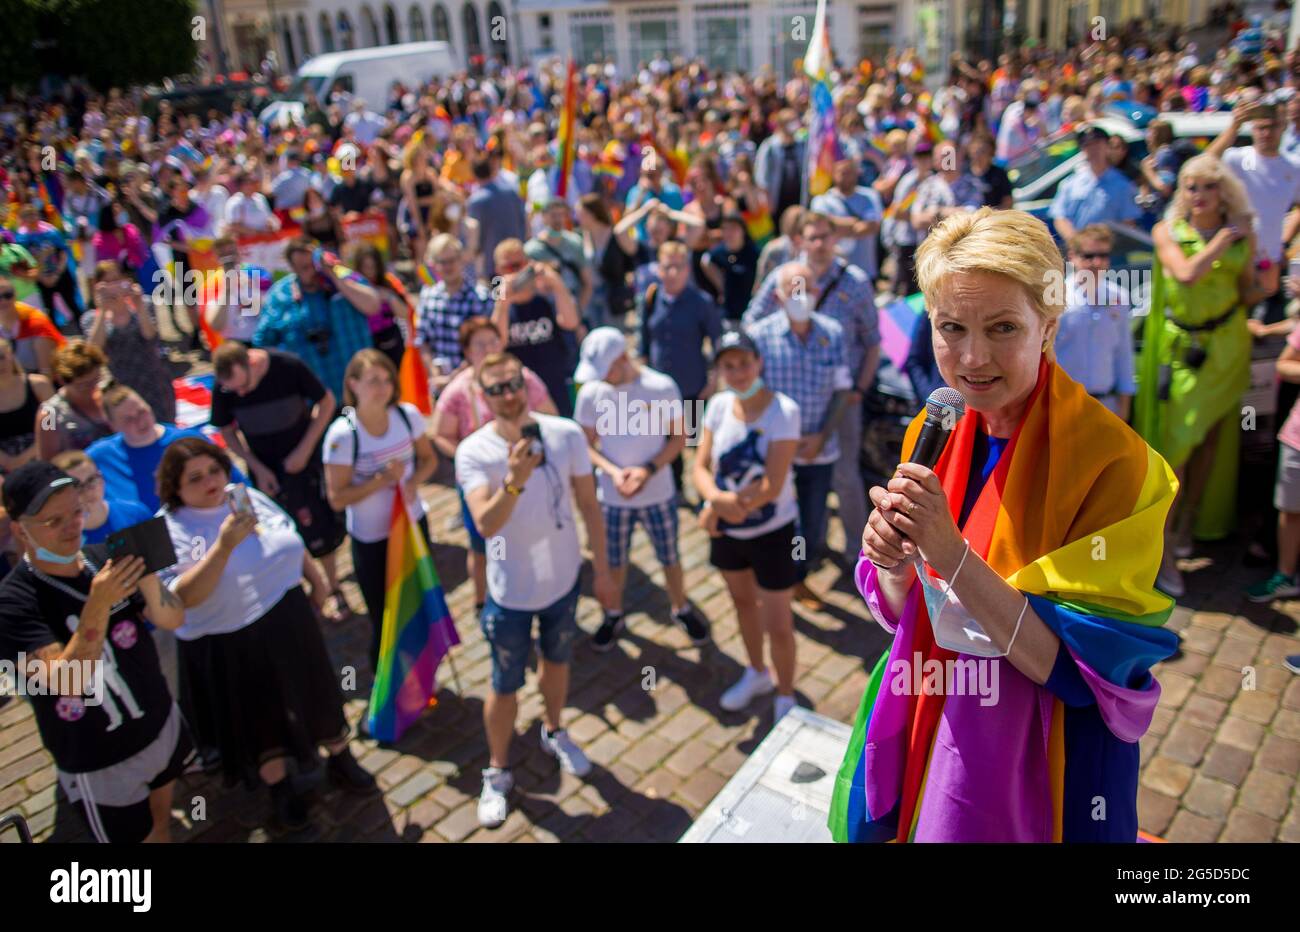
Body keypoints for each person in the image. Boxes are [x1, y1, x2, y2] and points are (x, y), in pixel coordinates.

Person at [830, 207, 1180, 843]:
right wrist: (895, 563)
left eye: (1003, 328)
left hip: (1038, 754)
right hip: (936, 711)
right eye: (951, 327)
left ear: (1048, 324)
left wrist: (950, 551)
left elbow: (1079, 672)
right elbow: (910, 610)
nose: (972, 358)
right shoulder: (932, 429)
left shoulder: (1118, 468)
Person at [155, 438, 374, 828]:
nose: (210, 482)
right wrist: (223, 546)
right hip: (227, 638)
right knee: (259, 712)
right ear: (175, 486)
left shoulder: (245, 497)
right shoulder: (168, 529)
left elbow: (290, 536)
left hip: (287, 616)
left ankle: (340, 757)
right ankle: (281, 788)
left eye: (215, 470)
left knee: (316, 689)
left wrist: (319, 585)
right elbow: (181, 599)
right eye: (196, 477)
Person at [454, 351, 615, 829]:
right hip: (510, 595)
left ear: (526, 385)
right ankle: (499, 769)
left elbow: (589, 505)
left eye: (513, 384)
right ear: (482, 398)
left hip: (564, 584)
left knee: (558, 663)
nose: (508, 395)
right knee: (504, 686)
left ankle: (555, 729)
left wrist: (604, 571)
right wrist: (515, 481)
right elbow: (485, 524)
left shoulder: (564, 434)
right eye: (496, 389)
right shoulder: (474, 452)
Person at [0, 461, 191, 842]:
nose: (73, 527)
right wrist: (99, 603)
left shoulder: (102, 556)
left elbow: (172, 620)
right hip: (100, 758)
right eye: (54, 522)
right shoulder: (13, 603)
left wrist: (150, 580)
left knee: (161, 819)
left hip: (159, 724)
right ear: (21, 531)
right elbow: (67, 682)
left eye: (76, 512)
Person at [1135, 155, 1264, 597]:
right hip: (1183, 352)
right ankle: (1164, 545)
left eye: (1207, 187)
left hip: (1227, 347)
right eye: (1190, 187)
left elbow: (1249, 289)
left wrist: (1269, 271)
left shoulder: (1241, 236)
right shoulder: (1169, 231)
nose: (1197, 195)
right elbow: (1187, 274)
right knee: (1178, 449)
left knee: (1212, 438)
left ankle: (1191, 521)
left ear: (1222, 192)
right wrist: (1224, 241)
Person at [745, 211, 880, 569]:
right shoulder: (782, 278)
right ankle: (802, 555)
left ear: (835, 240)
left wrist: (858, 390)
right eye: (812, 237)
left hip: (840, 399)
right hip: (786, 412)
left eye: (825, 236)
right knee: (788, 492)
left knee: (844, 479)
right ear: (801, 241)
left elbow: (872, 343)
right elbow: (750, 328)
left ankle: (855, 554)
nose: (819, 244)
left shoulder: (854, 283)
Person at [572, 328, 709, 650]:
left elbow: (680, 439)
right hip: (613, 497)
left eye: (606, 370)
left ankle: (681, 608)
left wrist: (648, 470)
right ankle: (613, 613)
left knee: (669, 555)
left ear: (622, 359)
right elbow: (585, 444)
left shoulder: (661, 387)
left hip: (658, 494)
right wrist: (614, 472)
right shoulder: (592, 393)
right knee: (614, 560)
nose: (601, 379)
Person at [693, 330, 801, 720]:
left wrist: (720, 507)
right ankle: (756, 672)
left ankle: (785, 694)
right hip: (729, 531)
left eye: (743, 363)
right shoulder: (719, 406)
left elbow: (772, 485)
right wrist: (715, 502)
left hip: (772, 533)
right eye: (728, 365)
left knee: (778, 622)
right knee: (742, 605)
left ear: (759, 362)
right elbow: (700, 466)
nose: (737, 372)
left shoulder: (783, 411)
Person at [211, 340, 347, 621]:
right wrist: (256, 467)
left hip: (304, 465)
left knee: (320, 527)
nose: (240, 393)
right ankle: (301, 591)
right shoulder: (226, 384)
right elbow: (225, 429)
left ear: (252, 363)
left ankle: (333, 586)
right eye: (234, 390)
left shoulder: (288, 365)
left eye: (243, 386)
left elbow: (327, 401)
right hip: (266, 471)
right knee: (278, 533)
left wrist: (305, 448)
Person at [744, 263, 853, 608]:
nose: (801, 296)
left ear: (819, 292)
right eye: (793, 289)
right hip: (774, 454)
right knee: (772, 518)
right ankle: (774, 576)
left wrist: (821, 436)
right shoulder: (760, 337)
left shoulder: (832, 333)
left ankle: (798, 574)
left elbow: (841, 391)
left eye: (807, 287)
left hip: (818, 451)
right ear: (777, 296)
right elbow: (751, 396)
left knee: (811, 522)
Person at [323, 349, 438, 672]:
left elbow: (428, 460)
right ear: (353, 384)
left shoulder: (407, 416)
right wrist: (381, 480)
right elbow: (337, 497)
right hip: (372, 539)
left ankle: (421, 679)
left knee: (418, 607)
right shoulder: (342, 435)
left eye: (387, 379)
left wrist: (413, 480)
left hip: (413, 525)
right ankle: (387, 687)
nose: (383, 387)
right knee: (385, 617)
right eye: (374, 381)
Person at [431, 316, 556, 610]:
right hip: (483, 483)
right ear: (467, 352)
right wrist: (468, 457)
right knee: (485, 546)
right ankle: (481, 600)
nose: (488, 349)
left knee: (527, 536)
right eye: (479, 345)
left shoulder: (522, 379)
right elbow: (440, 434)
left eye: (492, 341)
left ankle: (534, 587)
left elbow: (550, 416)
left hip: (526, 477)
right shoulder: (459, 390)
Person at [639, 241, 723, 499]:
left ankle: (704, 492)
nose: (672, 273)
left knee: (697, 442)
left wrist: (714, 377)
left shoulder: (701, 302)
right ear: (659, 270)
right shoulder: (652, 299)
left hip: (691, 385)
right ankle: (675, 490)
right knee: (667, 442)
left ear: (687, 269)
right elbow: (644, 339)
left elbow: (718, 341)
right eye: (667, 267)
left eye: (678, 267)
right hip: (660, 388)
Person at [1207, 99, 1300, 325]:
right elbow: (1205, 162)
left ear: (1283, 127)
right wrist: (1234, 127)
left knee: (1265, 336)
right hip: (1234, 259)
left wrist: (1285, 245)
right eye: (1260, 127)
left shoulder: (1293, 167)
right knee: (1230, 323)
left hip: (1270, 264)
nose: (1266, 133)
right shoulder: (1237, 158)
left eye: (1273, 126)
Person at [252, 237, 379, 400]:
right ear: (292, 268)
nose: (310, 272)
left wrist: (333, 277)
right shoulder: (281, 295)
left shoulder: (344, 278)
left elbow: (373, 306)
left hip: (360, 390)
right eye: (303, 268)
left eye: (313, 265)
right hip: (317, 398)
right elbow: (262, 342)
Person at [87, 383, 244, 512]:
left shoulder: (189, 441)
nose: (140, 421)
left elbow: (236, 483)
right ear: (113, 425)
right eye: (128, 419)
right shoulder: (100, 456)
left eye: (142, 411)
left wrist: (248, 514)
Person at [490, 238, 580, 418]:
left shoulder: (544, 292)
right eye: (508, 268)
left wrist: (557, 284)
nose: (515, 273)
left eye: (520, 265)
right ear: (498, 271)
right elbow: (496, 344)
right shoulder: (495, 297)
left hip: (554, 385)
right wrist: (503, 302)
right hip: (516, 392)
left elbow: (571, 323)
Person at [1054, 225, 1137, 420]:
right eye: (1089, 256)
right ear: (1072, 257)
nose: (1097, 262)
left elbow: (1123, 355)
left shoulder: (1118, 296)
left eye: (1104, 255)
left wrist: (1124, 408)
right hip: (1062, 403)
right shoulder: (1056, 296)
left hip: (1106, 404)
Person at [83, 261, 174, 424]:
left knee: (164, 425)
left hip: (154, 380)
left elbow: (150, 336)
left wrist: (139, 305)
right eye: (108, 282)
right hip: (122, 385)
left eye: (117, 279)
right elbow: (93, 351)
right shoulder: (91, 318)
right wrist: (103, 310)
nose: (114, 286)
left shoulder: (144, 303)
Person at [415, 233, 494, 393]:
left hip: (474, 383)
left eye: (452, 260)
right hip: (439, 385)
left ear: (461, 260)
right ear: (434, 265)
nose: (448, 266)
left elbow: (487, 344)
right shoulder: (428, 296)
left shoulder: (480, 297)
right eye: (442, 262)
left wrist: (456, 376)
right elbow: (422, 341)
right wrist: (434, 372)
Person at [1049, 124, 1142, 243]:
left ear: (1107, 146)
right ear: (1082, 149)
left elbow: (1129, 222)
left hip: (1111, 254)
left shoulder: (1123, 185)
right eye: (1088, 145)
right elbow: (1060, 217)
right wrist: (1076, 242)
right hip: (1078, 252)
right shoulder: (1070, 184)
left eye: (1097, 144)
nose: (1093, 149)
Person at [51, 450, 151, 546]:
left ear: (102, 478)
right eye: (76, 486)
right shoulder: (60, 536)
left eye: (91, 480)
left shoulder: (136, 514)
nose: (88, 491)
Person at [810, 158, 884, 283]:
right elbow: (821, 227)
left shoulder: (870, 196)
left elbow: (872, 227)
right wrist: (854, 223)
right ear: (833, 174)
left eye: (850, 172)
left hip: (865, 270)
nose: (846, 177)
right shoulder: (821, 201)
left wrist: (835, 226)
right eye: (842, 173)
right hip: (832, 272)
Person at [35, 339, 113, 458]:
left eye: (95, 379)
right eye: (83, 385)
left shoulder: (108, 392)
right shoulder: (48, 414)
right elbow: (48, 460)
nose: (92, 387)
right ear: (62, 381)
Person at [525, 198, 593, 320]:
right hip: (545, 311)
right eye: (553, 215)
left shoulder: (575, 243)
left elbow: (587, 283)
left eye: (561, 215)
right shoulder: (531, 249)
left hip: (573, 306)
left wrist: (578, 313)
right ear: (544, 217)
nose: (558, 219)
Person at [346, 242, 407, 369]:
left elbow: (405, 313)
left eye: (373, 267)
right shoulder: (351, 285)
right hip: (366, 342)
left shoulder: (389, 282)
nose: (370, 271)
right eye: (365, 267)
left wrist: (389, 297)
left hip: (391, 341)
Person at [466, 156, 528, 282]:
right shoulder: (511, 192)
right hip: (517, 257)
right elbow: (524, 221)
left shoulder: (475, 201)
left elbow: (475, 236)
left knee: (500, 297)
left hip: (494, 264)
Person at [0, 336, 52, 477]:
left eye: (2, 357)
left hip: (42, 452)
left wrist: (25, 457)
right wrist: (7, 461)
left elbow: (52, 424)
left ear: (11, 355)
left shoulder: (40, 385)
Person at [0, 269, 65, 376]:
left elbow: (46, 374)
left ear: (15, 295)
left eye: (8, 295)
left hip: (49, 381)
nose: (3, 301)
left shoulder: (35, 322)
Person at [700, 214, 759, 323]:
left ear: (743, 230)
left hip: (750, 310)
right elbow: (705, 260)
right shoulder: (719, 252)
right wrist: (721, 286)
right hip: (728, 311)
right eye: (725, 229)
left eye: (733, 228)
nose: (729, 233)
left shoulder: (754, 253)